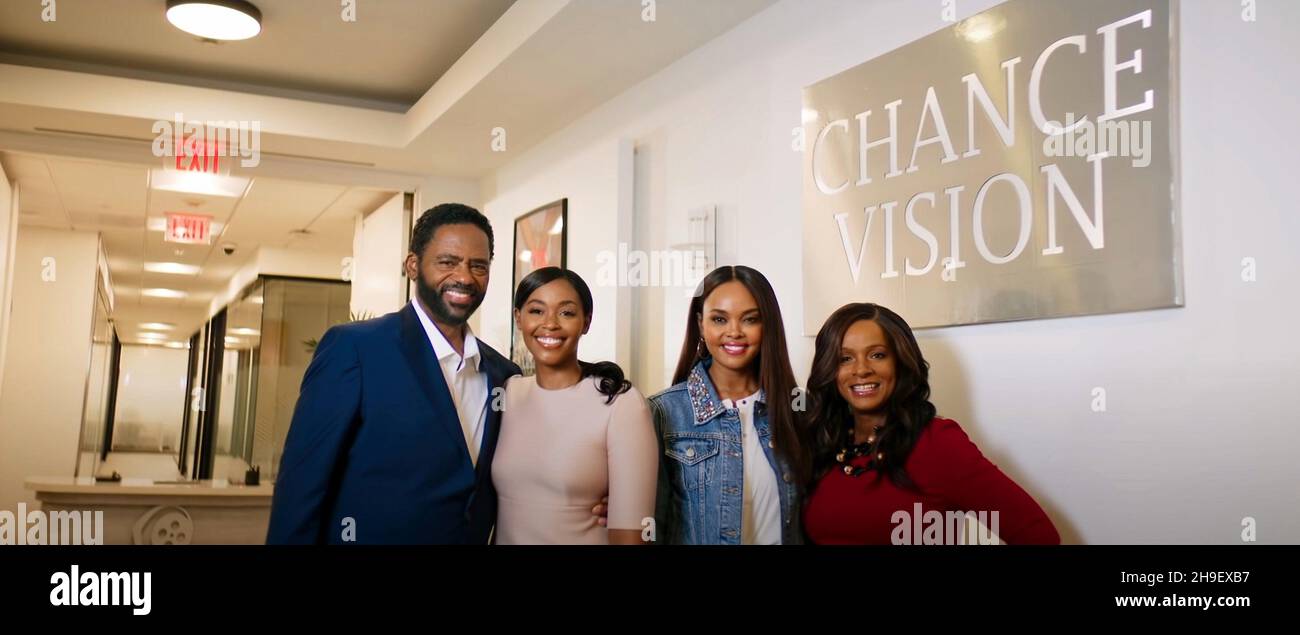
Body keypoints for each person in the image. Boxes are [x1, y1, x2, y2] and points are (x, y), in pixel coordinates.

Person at [268, 203, 523, 544]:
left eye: (478, 265)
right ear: (413, 265)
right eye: (447, 262)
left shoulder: (504, 375)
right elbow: (302, 484)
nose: (464, 277)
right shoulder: (355, 349)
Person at [801, 303, 1060, 545]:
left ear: (901, 362)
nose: (861, 370)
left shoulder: (937, 443)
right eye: (845, 358)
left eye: (877, 355)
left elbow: (1038, 534)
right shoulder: (824, 443)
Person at [492, 267, 657, 545]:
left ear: (586, 322)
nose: (550, 324)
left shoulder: (620, 402)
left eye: (566, 312)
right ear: (518, 319)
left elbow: (632, 534)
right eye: (536, 311)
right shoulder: (506, 392)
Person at [649, 265, 809, 545]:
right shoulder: (663, 412)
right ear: (700, 324)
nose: (734, 332)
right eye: (719, 319)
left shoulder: (799, 410)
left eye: (750, 319)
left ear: (767, 325)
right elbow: (650, 524)